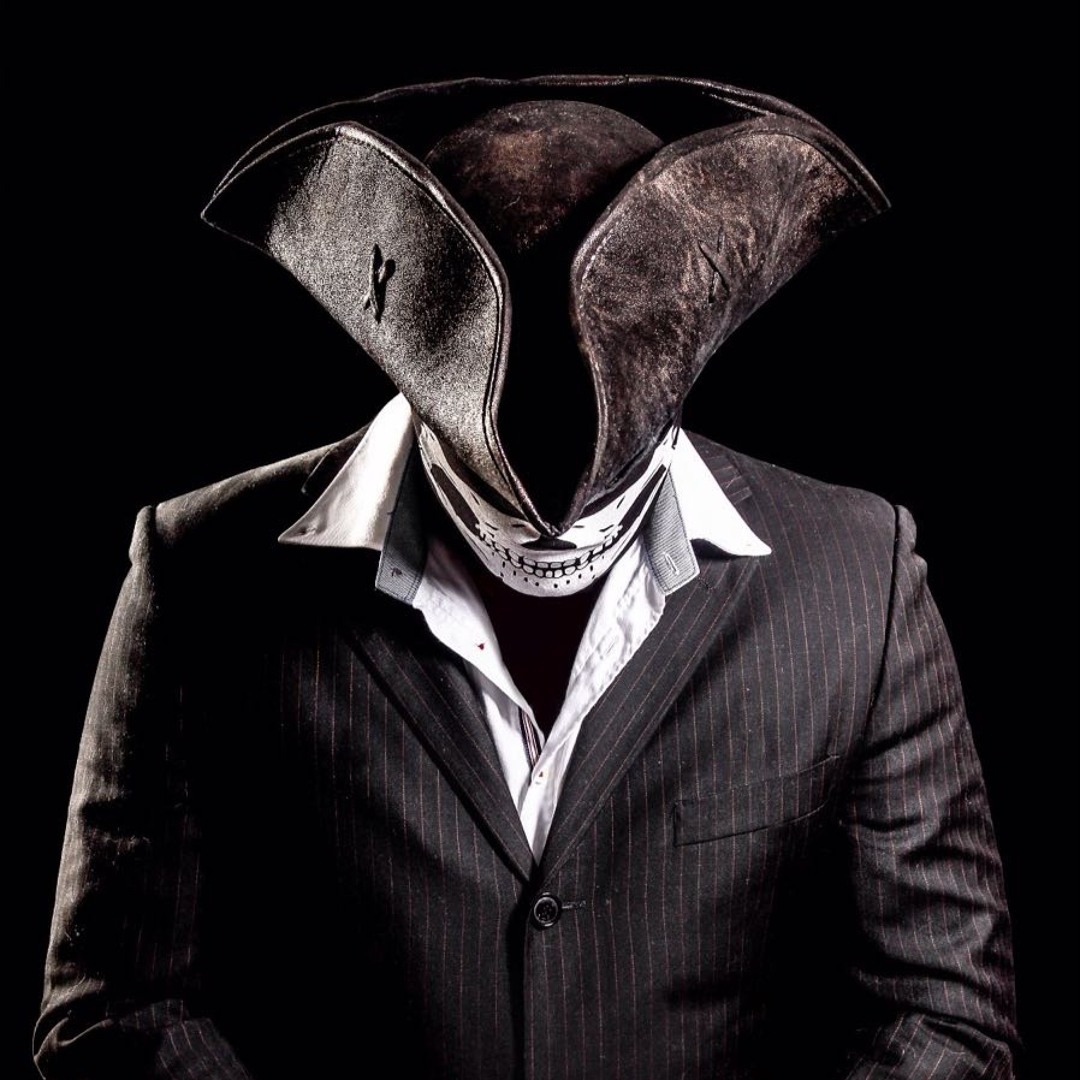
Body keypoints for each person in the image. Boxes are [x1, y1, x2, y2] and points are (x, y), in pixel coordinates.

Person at [35, 75, 1018, 1079]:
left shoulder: (857, 577)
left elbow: (945, 1014)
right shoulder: (200, 571)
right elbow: (116, 1009)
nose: (553, 503)